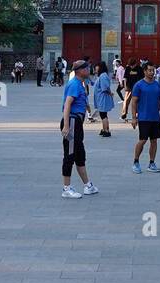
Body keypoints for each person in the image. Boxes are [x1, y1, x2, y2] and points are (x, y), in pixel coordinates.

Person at [60, 59, 98, 200]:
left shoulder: (80, 83)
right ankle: (66, 188)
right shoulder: (74, 84)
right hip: (71, 123)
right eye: (87, 68)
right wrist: (66, 126)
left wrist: (87, 108)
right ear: (80, 71)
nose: (89, 70)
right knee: (69, 155)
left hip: (76, 124)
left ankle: (87, 185)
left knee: (80, 154)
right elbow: (67, 105)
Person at [126, 62, 160, 174]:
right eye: (149, 70)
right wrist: (134, 118)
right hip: (143, 118)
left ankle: (151, 163)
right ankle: (136, 162)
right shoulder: (139, 85)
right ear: (144, 71)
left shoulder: (157, 85)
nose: (152, 72)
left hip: (155, 118)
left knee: (154, 141)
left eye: (153, 70)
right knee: (143, 140)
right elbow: (134, 102)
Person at [93, 61, 115, 136]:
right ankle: (104, 129)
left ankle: (106, 130)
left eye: (96, 67)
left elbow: (105, 88)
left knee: (103, 115)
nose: (95, 68)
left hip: (103, 98)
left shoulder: (103, 76)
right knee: (103, 114)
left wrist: (110, 93)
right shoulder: (102, 75)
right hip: (101, 98)